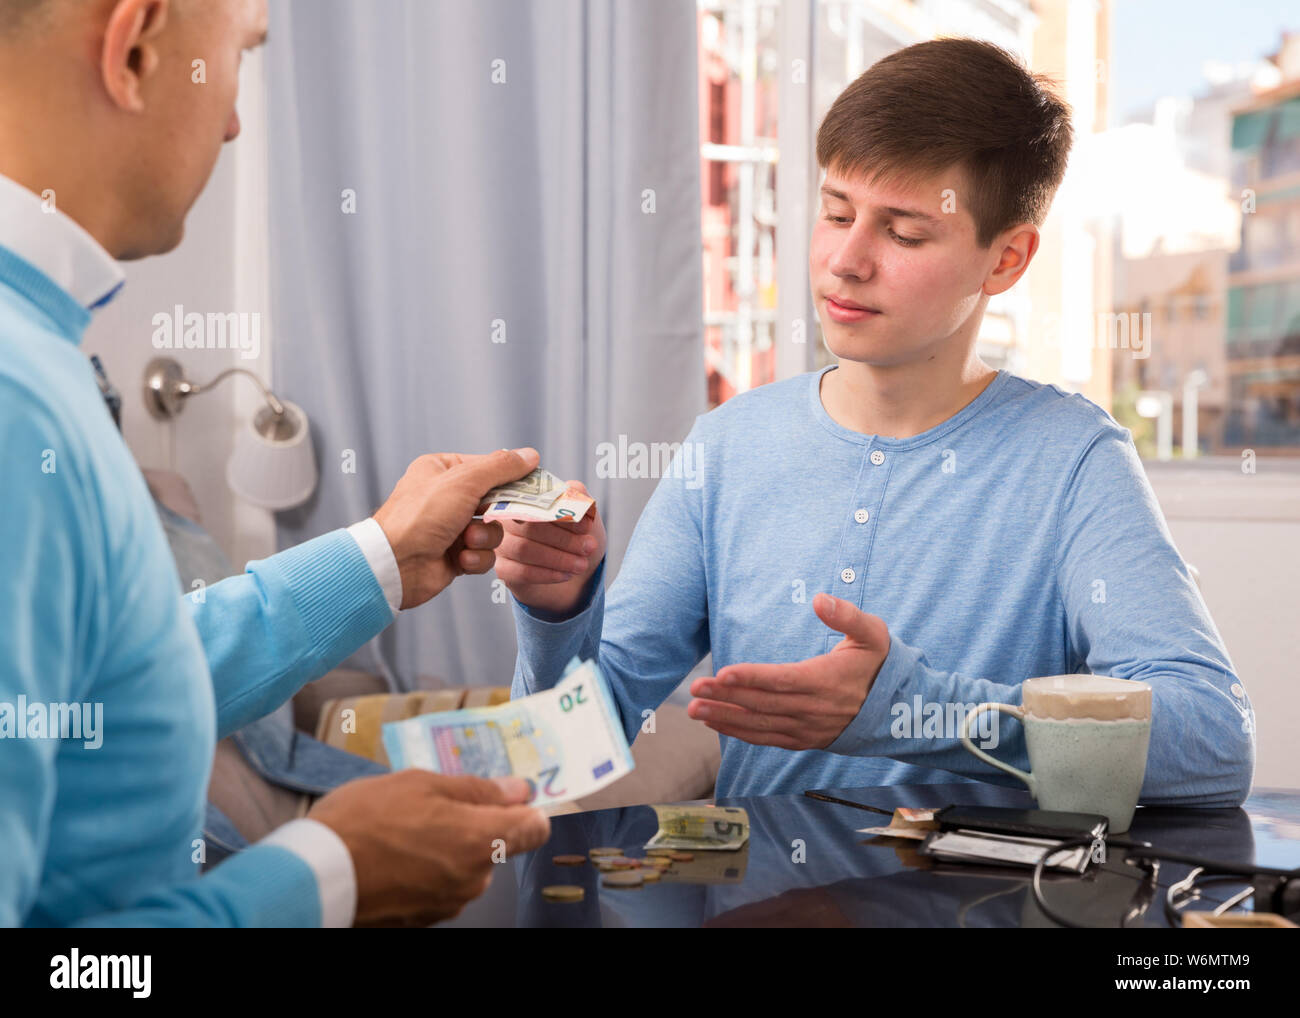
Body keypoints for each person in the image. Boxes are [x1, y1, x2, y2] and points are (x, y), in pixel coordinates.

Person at [495, 37, 1255, 806]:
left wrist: (922, 715)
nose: (845, 261)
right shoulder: (727, 447)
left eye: (903, 232)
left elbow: (1214, 744)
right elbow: (556, 754)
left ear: (1007, 261)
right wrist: (555, 611)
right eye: (835, 212)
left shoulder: (1073, 458)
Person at [0, 0, 549, 927]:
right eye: (236, 62)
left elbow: (124, 676)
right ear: (134, 45)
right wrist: (325, 877)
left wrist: (381, 557)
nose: (233, 120)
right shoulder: (19, 402)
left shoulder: (43, 354)